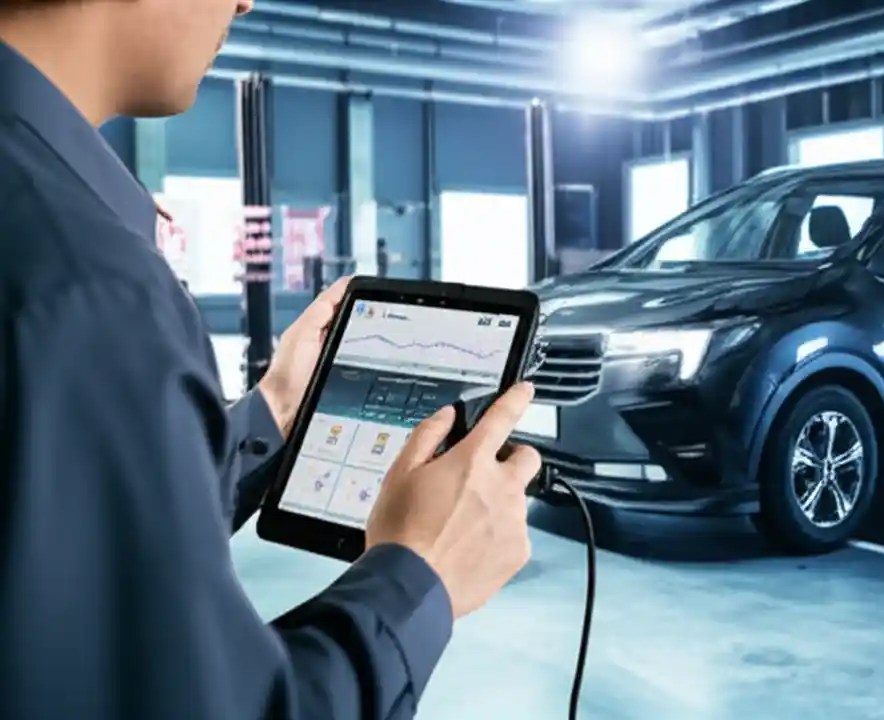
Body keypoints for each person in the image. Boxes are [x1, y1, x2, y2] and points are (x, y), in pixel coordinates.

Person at [0, 2, 541, 718]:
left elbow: (67, 536)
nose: (246, 0)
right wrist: (422, 572)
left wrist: (278, 407)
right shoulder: (91, 284)